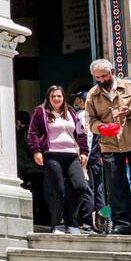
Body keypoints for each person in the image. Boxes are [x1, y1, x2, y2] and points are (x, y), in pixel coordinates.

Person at [84, 59, 131, 236]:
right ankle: (123, 223)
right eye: (97, 77)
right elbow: (90, 120)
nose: (101, 80)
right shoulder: (92, 95)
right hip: (110, 144)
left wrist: (130, 112)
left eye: (104, 75)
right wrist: (100, 127)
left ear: (113, 71)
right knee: (116, 185)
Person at [25, 86, 90, 234]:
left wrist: (84, 151)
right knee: (59, 190)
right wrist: (36, 151)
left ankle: (71, 220)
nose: (56, 99)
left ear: (63, 97)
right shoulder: (41, 112)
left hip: (72, 155)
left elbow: (80, 133)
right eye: (53, 96)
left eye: (59, 96)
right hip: (52, 155)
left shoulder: (71, 112)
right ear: (49, 97)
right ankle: (58, 223)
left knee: (81, 187)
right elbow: (32, 132)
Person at [73, 90, 106, 234]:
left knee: (88, 189)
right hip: (98, 157)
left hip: (87, 157)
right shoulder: (97, 116)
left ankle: (86, 222)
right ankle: (103, 219)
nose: (75, 102)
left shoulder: (82, 115)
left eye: (77, 99)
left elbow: (85, 137)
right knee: (100, 191)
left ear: (81, 101)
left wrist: (83, 155)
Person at [15, 110, 47, 229]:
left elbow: (31, 148)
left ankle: (41, 219)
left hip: (32, 169)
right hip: (34, 169)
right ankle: (41, 218)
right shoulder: (30, 131)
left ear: (19, 122)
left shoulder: (27, 132)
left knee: (36, 194)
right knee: (38, 194)